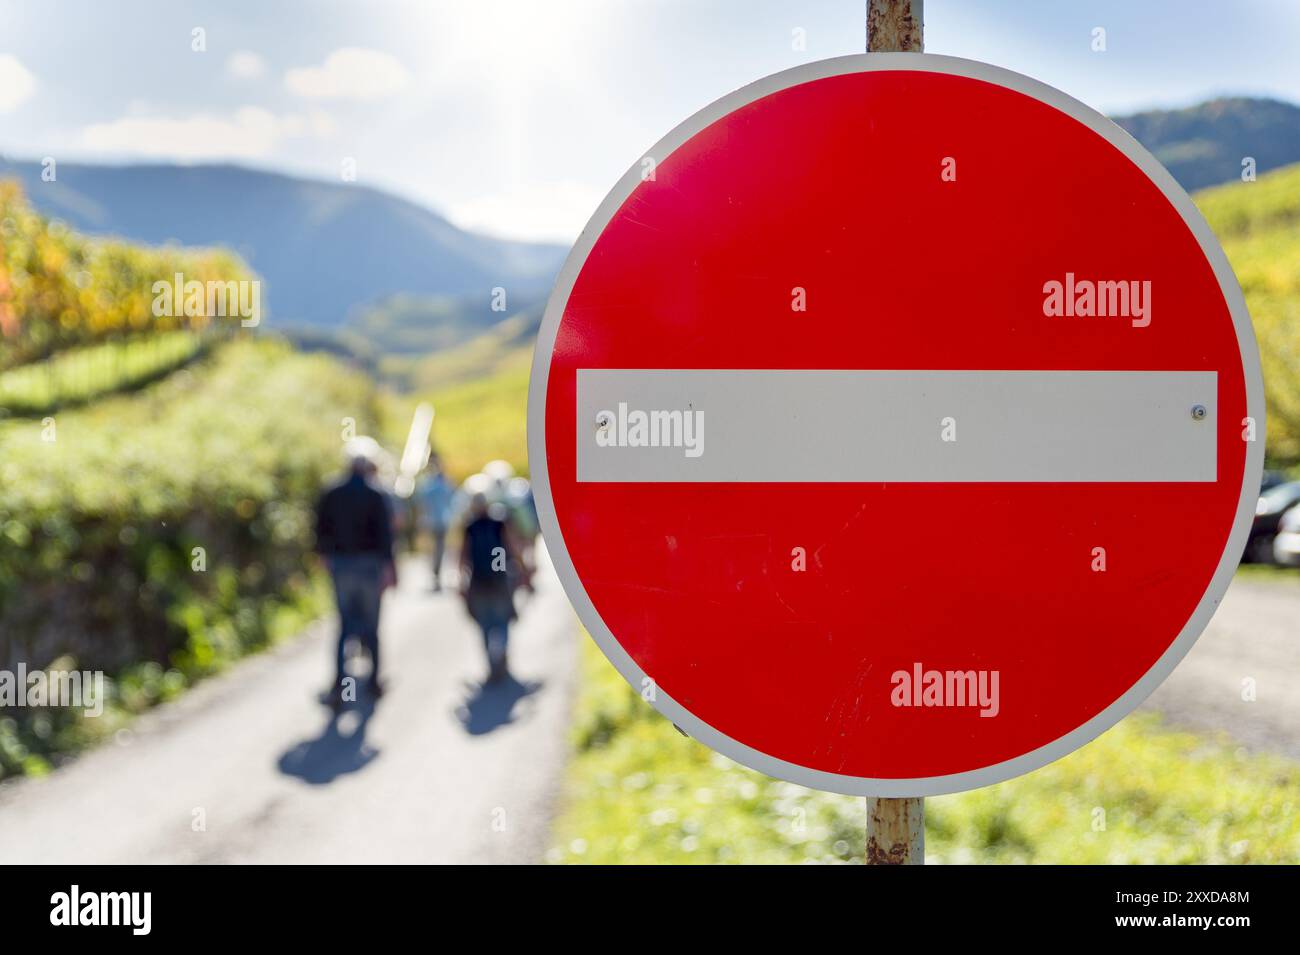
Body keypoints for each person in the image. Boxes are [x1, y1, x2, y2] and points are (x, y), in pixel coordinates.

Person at [315, 437, 397, 706]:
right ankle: (373, 682)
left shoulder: (331, 491)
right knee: (371, 626)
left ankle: (340, 685)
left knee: (344, 626)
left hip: (341, 567)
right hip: (370, 567)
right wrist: (389, 568)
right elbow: (386, 535)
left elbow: (320, 529)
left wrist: (324, 556)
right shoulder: (376, 494)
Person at [458, 490, 520, 683]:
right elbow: (511, 546)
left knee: (484, 625)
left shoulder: (470, 527)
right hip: (500, 578)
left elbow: (463, 556)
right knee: (502, 621)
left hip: (478, 581)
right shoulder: (499, 523)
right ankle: (501, 652)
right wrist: (523, 570)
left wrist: (461, 581)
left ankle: (492, 666)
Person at [416, 458, 455, 591]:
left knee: (434, 550)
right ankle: (437, 574)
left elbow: (422, 504)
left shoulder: (428, 485)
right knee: (440, 549)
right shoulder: (445, 485)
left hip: (431, 521)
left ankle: (436, 574)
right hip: (442, 521)